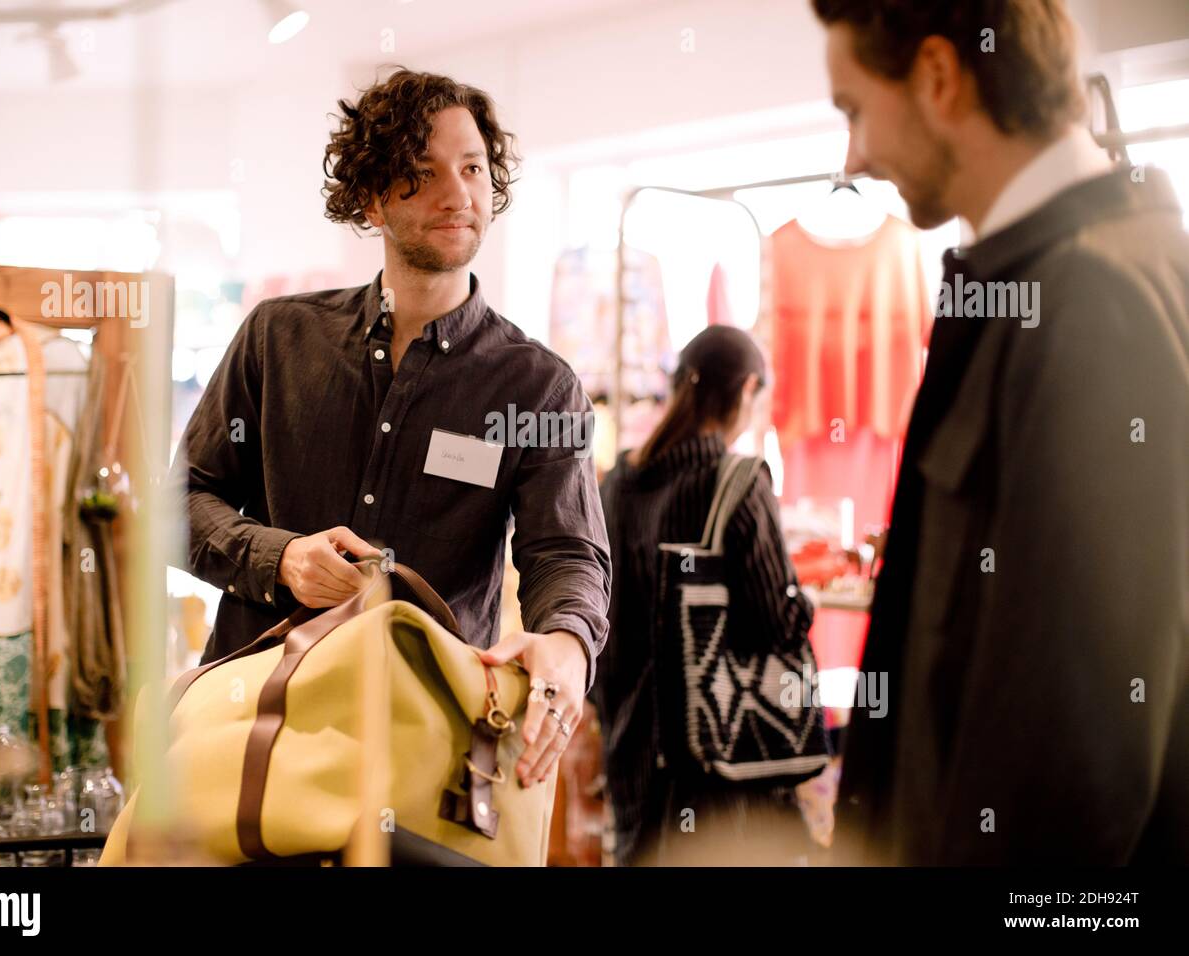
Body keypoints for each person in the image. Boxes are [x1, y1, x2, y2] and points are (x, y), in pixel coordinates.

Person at [810, 0, 1189, 863]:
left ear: (940, 77)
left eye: (855, 110)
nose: (854, 157)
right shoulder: (1050, 276)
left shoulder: (1092, 297)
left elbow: (1079, 761)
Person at [174, 68, 611, 790]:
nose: (457, 193)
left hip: (422, 751)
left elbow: (567, 553)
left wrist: (566, 642)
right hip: (252, 734)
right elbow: (180, 505)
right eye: (422, 172)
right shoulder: (278, 339)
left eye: (472, 168)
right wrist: (282, 558)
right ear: (373, 199)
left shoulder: (538, 387)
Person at [594, 326, 830, 865]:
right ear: (747, 390)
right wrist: (805, 593)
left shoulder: (617, 483)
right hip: (718, 763)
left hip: (629, 748)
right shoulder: (740, 483)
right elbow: (777, 622)